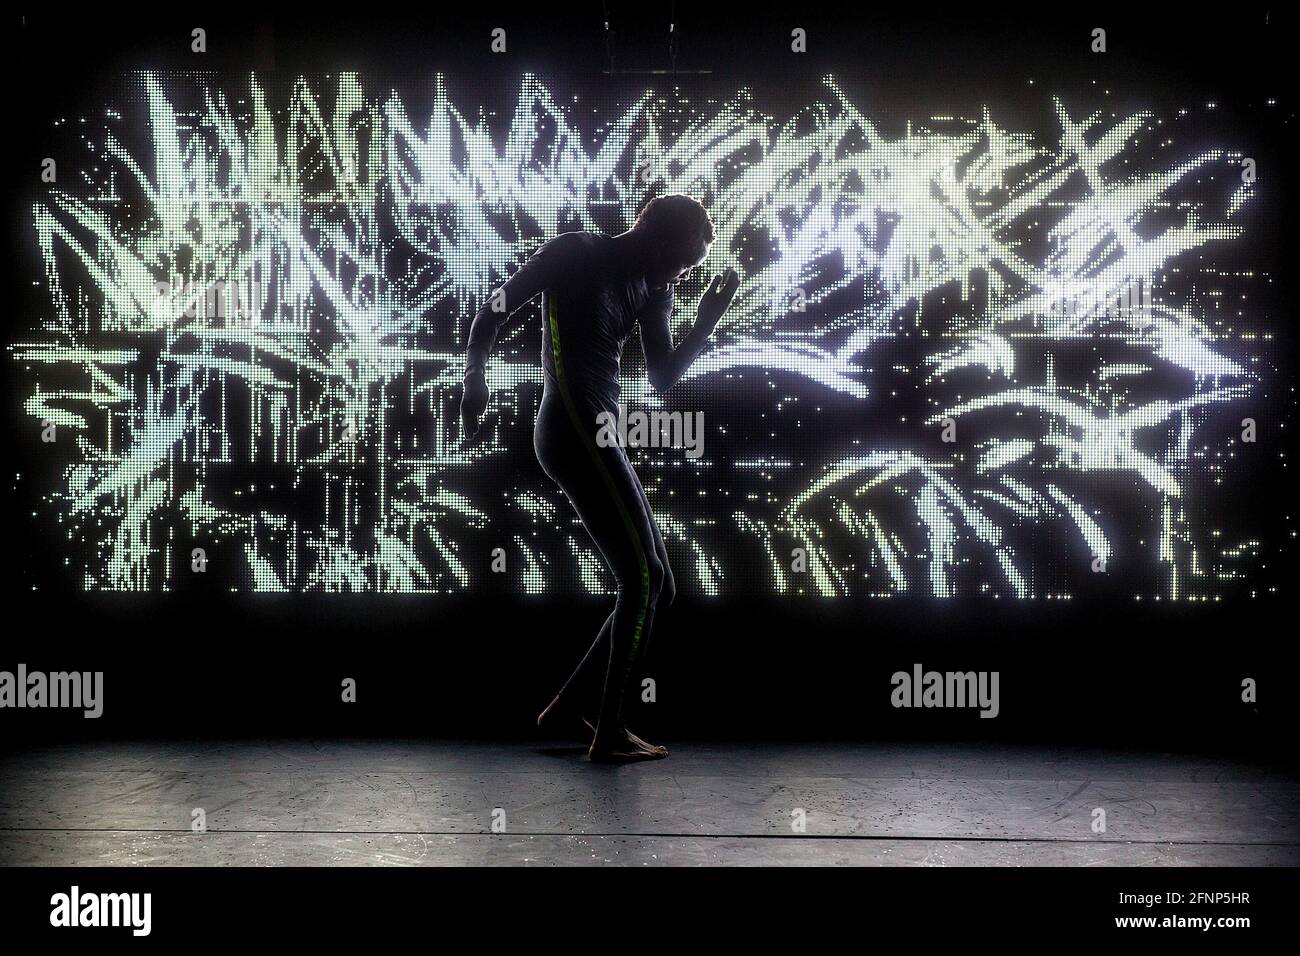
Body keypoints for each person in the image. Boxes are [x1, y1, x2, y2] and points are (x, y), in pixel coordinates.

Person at [460, 194, 740, 762]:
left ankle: (571, 708)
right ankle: (607, 732)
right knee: (640, 578)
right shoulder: (577, 252)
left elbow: (662, 377)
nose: (680, 275)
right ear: (653, 236)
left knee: (657, 583)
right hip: (569, 424)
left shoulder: (652, 288)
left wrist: (708, 318)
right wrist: (474, 381)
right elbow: (494, 308)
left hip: (597, 431)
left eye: (688, 269)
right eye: (680, 261)